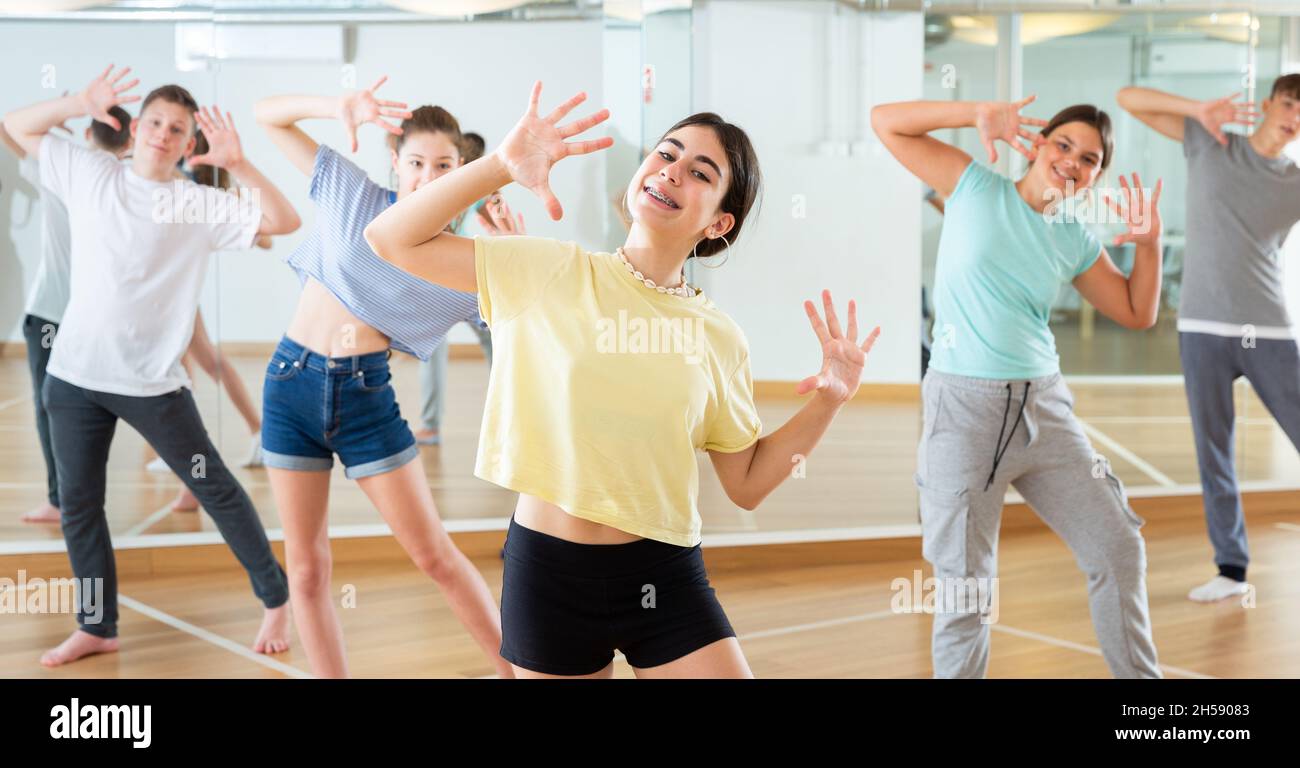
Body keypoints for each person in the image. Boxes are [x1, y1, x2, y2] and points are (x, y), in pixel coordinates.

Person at [367, 82, 880, 678]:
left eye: (700, 172)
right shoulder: (548, 270)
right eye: (666, 153)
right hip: (550, 575)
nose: (672, 171)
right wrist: (501, 165)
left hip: (664, 573)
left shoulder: (719, 336)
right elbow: (389, 238)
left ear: (719, 223)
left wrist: (829, 401)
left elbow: (746, 483)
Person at [3, 66, 301, 667]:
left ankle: (276, 598)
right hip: (74, 380)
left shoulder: (196, 203)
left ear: (189, 144)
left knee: (214, 486)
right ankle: (97, 626)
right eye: (156, 122)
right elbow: (15, 125)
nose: (164, 134)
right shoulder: (90, 173)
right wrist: (78, 100)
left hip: (154, 387)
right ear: (136, 128)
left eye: (178, 129)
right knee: (80, 506)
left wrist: (241, 164)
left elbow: (283, 221)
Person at [872, 95, 1164, 678]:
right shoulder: (973, 186)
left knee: (1118, 547)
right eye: (1064, 145)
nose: (1072, 162)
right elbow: (887, 123)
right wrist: (972, 113)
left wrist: (1150, 244)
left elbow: (1137, 312)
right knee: (965, 589)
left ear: (1096, 175)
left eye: (1089, 159)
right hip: (964, 411)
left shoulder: (1073, 237)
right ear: (1037, 144)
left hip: (1045, 411)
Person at [254, 77, 514, 678]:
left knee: (434, 556)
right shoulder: (351, 191)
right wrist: (334, 106)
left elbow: (532, 325)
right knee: (307, 570)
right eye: (416, 162)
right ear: (395, 161)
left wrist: (513, 256)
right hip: (290, 383)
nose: (427, 176)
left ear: (461, 171)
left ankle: (514, 673)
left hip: (365, 398)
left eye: (443, 165)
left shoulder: (462, 263)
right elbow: (268, 115)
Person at [1118, 78, 1300, 603]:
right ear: (1267, 105)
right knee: (1213, 451)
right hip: (1201, 328)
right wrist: (1196, 107)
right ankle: (1231, 569)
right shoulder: (1210, 142)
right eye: (1289, 104)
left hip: (1267, 330)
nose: (1293, 117)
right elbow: (1129, 98)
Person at [1, 106, 132, 524]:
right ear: (130, 140)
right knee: (97, 407)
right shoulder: (129, 182)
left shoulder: (60, 168)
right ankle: (76, 499)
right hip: (95, 318)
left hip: (54, 316)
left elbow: (8, 129)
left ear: (88, 134)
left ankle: (62, 500)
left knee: (50, 405)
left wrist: (56, 115)